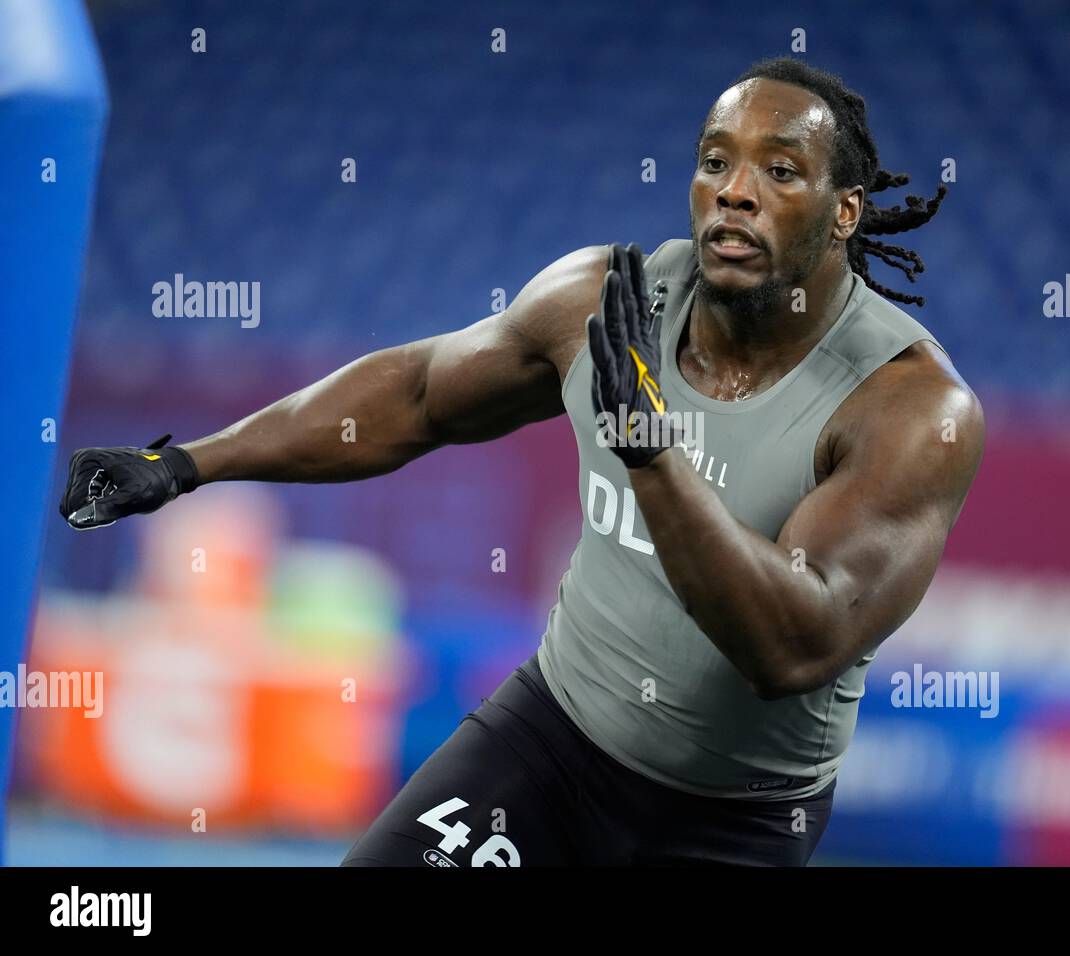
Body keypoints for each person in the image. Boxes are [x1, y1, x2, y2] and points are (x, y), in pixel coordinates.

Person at [59, 57, 983, 866]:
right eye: (715, 162)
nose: (734, 190)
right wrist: (187, 464)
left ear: (843, 212)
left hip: (735, 821)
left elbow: (794, 645)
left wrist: (652, 459)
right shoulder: (604, 300)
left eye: (779, 171)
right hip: (550, 747)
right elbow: (418, 393)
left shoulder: (907, 408)